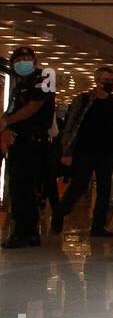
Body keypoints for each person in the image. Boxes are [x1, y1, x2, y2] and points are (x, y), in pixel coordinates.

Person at [52, 65, 113, 238]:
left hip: (106, 153)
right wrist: (66, 151)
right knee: (79, 185)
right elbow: (71, 126)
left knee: (104, 189)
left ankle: (98, 227)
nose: (110, 83)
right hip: (85, 151)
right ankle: (60, 211)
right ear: (97, 81)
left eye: (112, 80)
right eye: (106, 80)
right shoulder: (84, 99)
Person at [1, 46, 55, 249]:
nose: (23, 61)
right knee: (19, 187)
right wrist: (5, 126)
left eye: (27, 57)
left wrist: (7, 123)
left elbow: (34, 106)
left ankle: (25, 232)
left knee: (26, 187)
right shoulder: (19, 84)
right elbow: (12, 111)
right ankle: (27, 232)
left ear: (34, 59)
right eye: (19, 58)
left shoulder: (44, 77)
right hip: (19, 141)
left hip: (34, 142)